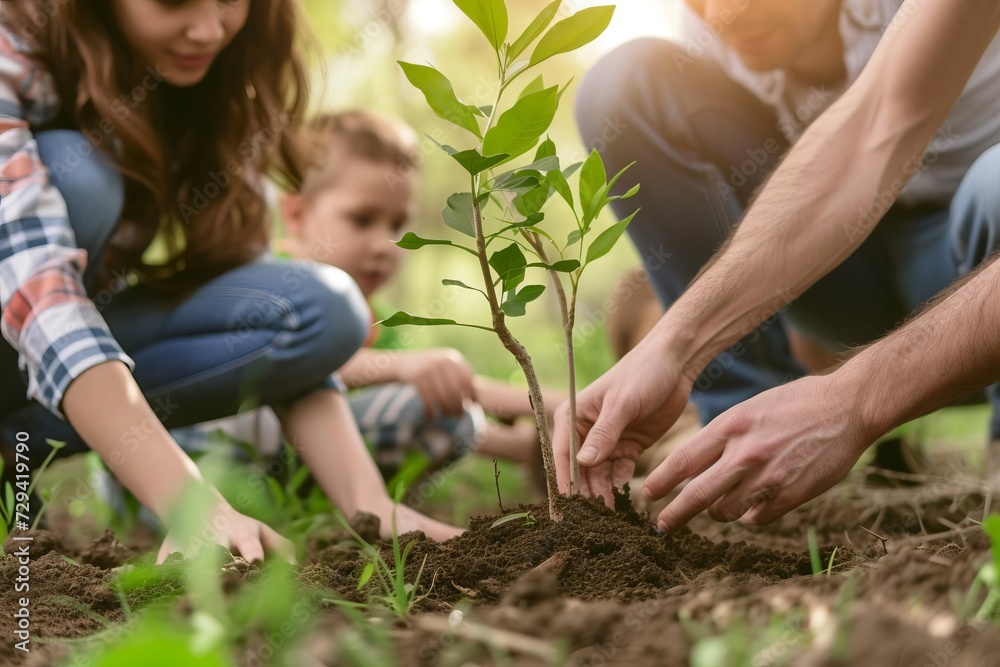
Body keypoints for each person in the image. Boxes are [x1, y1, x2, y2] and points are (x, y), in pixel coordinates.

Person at [0, 0, 458, 564]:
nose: (208, 30)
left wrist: (370, 505)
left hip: (51, 371)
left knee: (321, 307)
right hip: (35, 322)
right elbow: (40, 295)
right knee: (80, 175)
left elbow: (252, 284)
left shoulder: (204, 79)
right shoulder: (13, 41)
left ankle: (13, 445)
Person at [556, 0, 1000, 530]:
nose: (721, 12)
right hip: (847, 278)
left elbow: (880, 122)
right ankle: (735, 449)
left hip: (976, 274)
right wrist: (674, 346)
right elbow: (865, 140)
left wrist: (851, 399)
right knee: (627, 86)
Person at [172, 110, 554, 483]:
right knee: (428, 407)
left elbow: (432, 387)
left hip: (299, 459)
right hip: (204, 452)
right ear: (297, 214)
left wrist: (551, 407)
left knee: (426, 405)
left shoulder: (377, 317)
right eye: (362, 220)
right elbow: (284, 365)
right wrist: (401, 366)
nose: (385, 245)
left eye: (398, 224)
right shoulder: (270, 283)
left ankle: (530, 443)